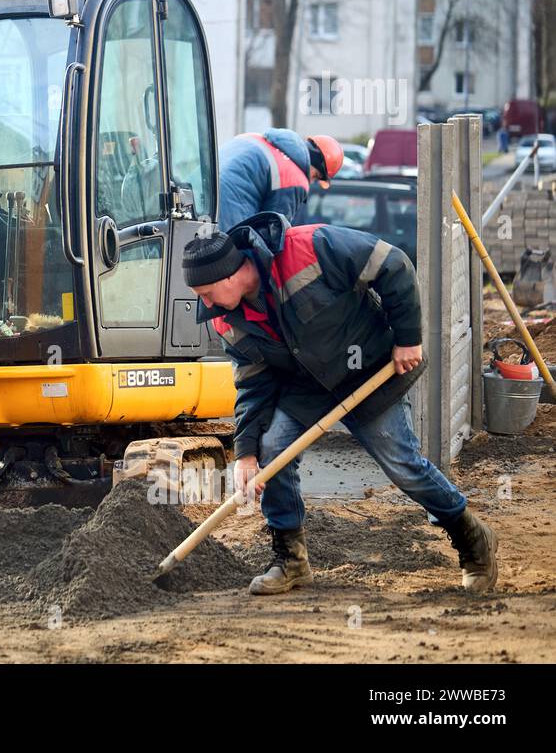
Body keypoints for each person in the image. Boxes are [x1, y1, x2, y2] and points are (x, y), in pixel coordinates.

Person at [181, 212, 499, 595]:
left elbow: (392, 263)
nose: (205, 305)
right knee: (272, 449)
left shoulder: (307, 249)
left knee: (402, 465)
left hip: (368, 372)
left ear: (230, 275)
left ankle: (471, 538)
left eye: (206, 293)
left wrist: (408, 337)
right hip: (307, 388)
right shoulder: (226, 320)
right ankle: (291, 559)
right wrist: (246, 453)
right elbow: (253, 384)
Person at [218, 130, 344, 229]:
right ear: (315, 163)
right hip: (228, 212)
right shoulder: (295, 178)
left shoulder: (253, 137)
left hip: (208, 197)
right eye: (315, 176)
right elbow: (273, 232)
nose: (311, 182)